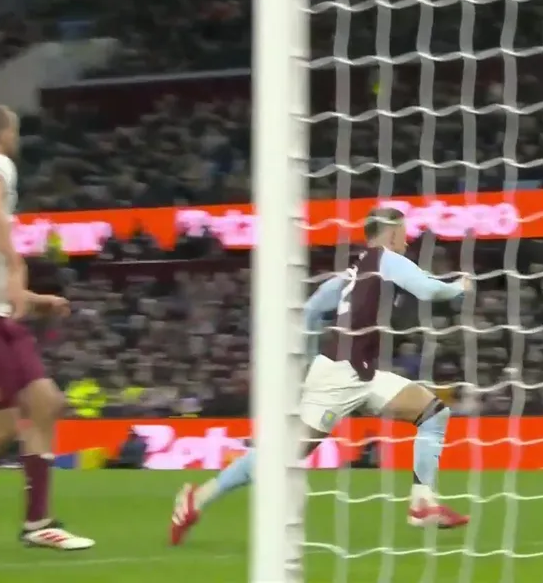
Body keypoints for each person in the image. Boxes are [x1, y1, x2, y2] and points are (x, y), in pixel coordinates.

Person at [170, 208, 472, 545]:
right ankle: (197, 498)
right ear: (390, 234)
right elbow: (428, 291)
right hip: (340, 377)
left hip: (359, 373)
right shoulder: (386, 259)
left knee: (433, 413)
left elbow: (312, 311)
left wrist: (310, 360)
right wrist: (458, 287)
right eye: (403, 233)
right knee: (284, 455)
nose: (407, 240)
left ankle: (422, 503)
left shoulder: (355, 271)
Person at [0, 100, 95, 550]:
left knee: (46, 403)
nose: (16, 136)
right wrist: (16, 264)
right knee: (3, 425)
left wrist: (31, 298)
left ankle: (38, 523)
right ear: (0, 133)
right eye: (13, 128)